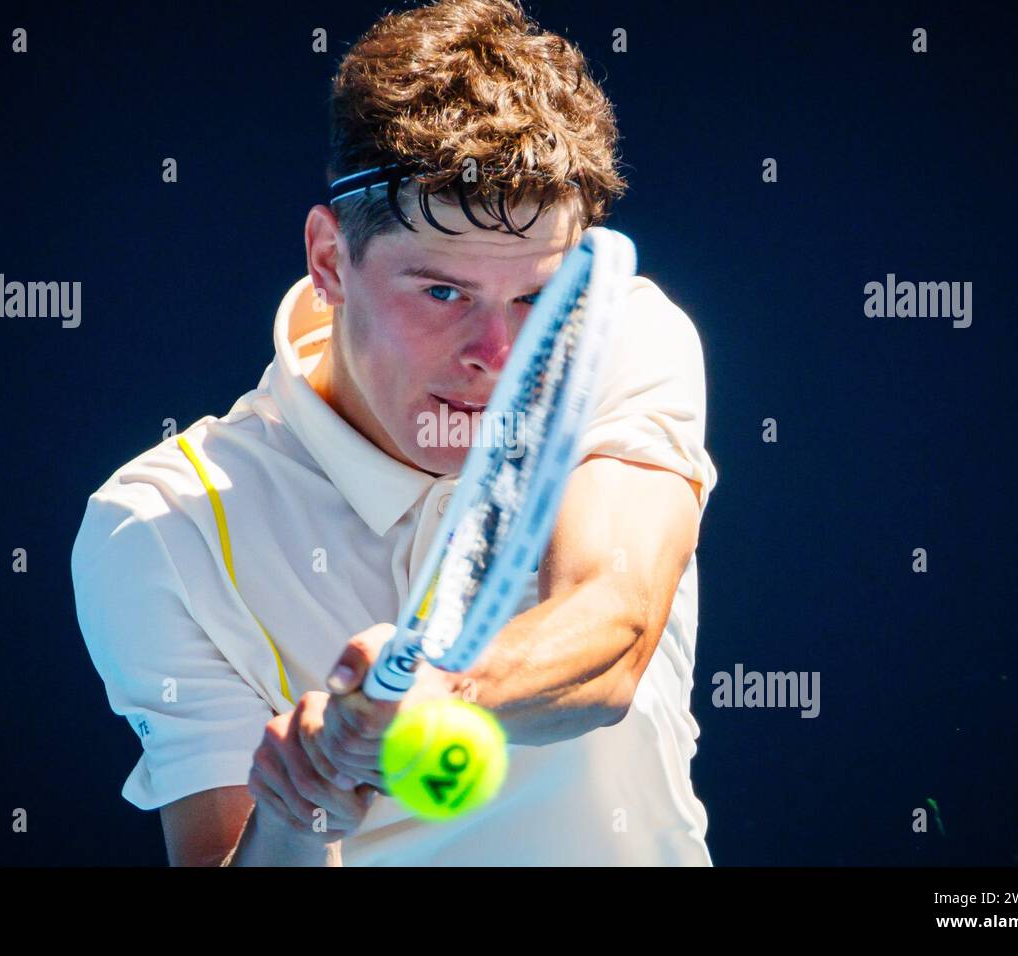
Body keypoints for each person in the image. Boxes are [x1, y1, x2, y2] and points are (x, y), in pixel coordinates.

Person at [71, 0, 718, 866]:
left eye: (534, 296)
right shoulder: (156, 526)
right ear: (329, 261)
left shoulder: (615, 334)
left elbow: (611, 629)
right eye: (442, 293)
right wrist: (295, 813)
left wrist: (439, 694)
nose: (496, 356)